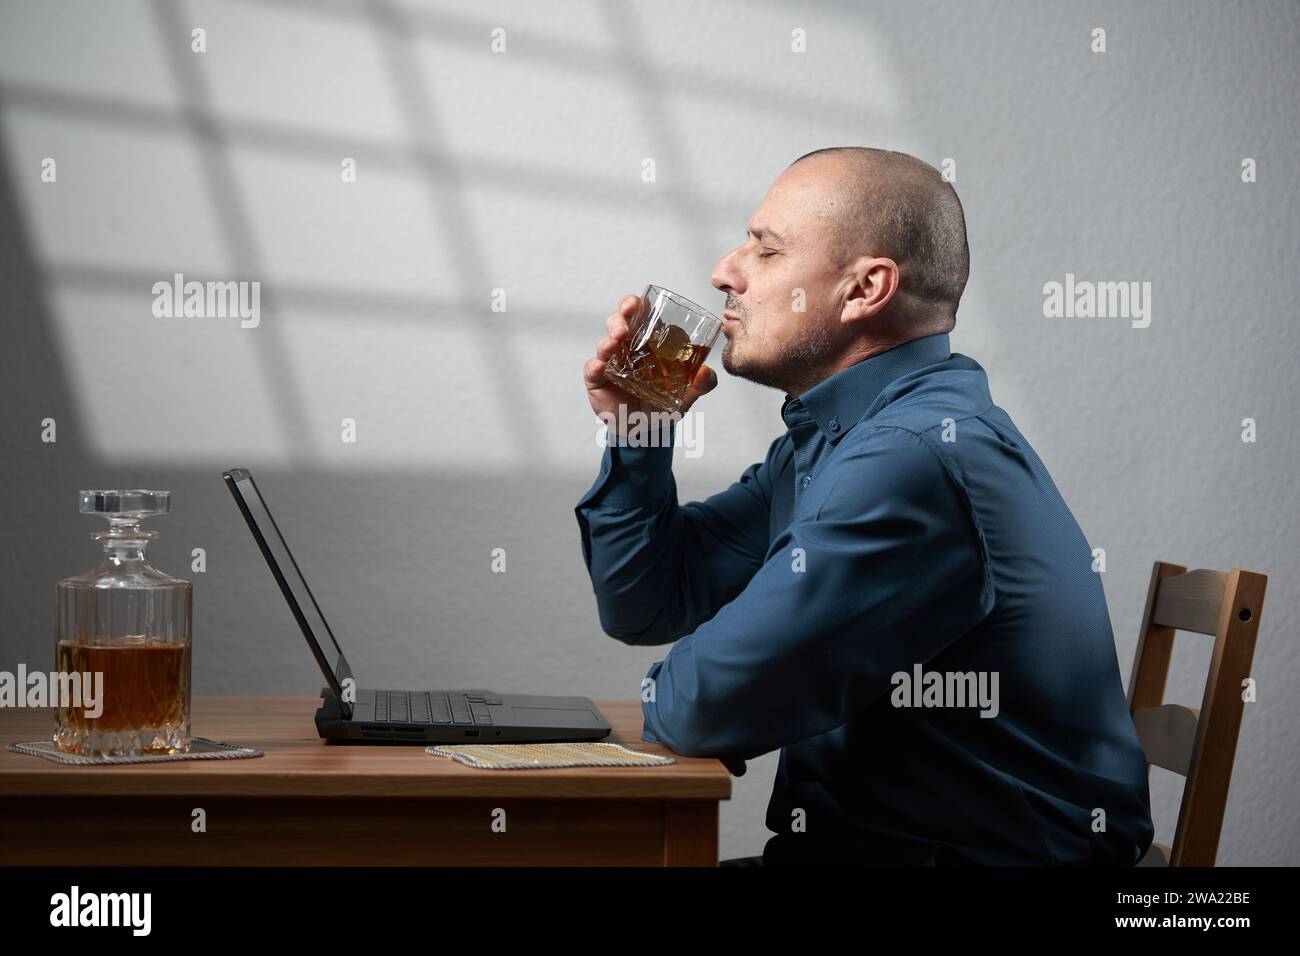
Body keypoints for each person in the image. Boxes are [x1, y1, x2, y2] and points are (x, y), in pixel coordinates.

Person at [575, 147, 1155, 866]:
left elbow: (705, 705)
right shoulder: (832, 444)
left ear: (865, 290)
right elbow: (647, 602)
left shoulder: (911, 460)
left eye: (767, 248)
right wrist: (641, 430)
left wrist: (693, 693)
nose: (726, 270)